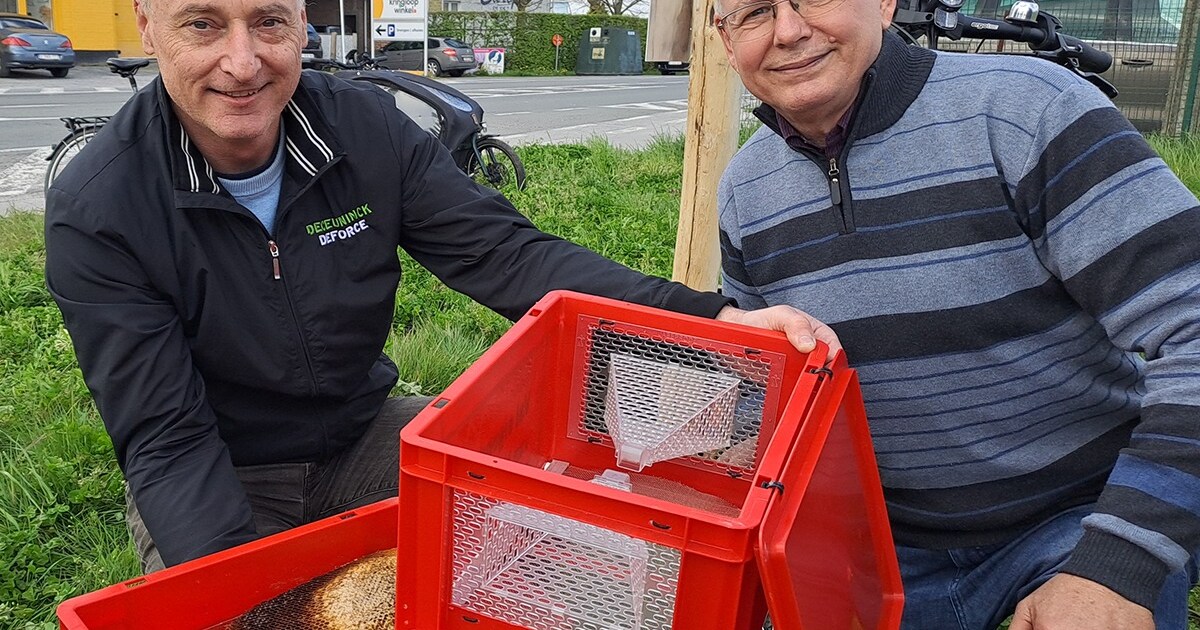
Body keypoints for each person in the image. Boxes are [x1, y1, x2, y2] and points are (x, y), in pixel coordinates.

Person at [43, 0, 838, 573]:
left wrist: (716, 316)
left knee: (540, 536)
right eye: (203, 23)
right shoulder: (100, 206)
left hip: (359, 431)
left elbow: (513, 259)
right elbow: (169, 438)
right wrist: (237, 589)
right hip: (223, 462)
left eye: (270, 21)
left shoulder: (365, 131)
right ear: (148, 26)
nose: (244, 61)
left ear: (302, 23)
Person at [714, 0, 1200, 628]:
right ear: (726, 44)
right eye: (752, 13)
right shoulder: (745, 189)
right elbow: (768, 394)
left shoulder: (1028, 110)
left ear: (884, 4)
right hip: (882, 543)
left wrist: (1118, 563)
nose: (788, 31)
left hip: (1072, 517)